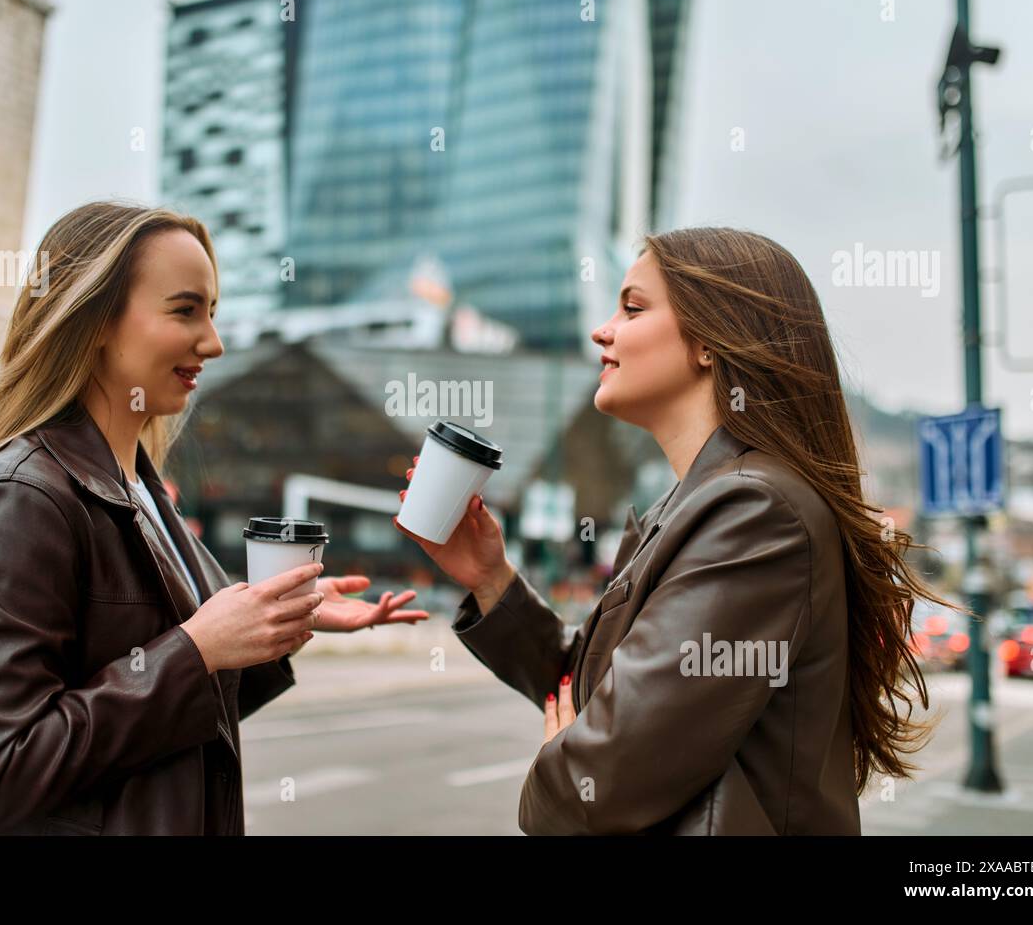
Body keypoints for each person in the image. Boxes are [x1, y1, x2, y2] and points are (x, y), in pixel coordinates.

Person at [395, 227, 956, 835]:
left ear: (710, 342)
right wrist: (490, 578)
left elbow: (603, 774)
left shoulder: (756, 512)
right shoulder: (697, 504)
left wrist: (556, 771)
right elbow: (598, 687)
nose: (602, 330)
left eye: (633, 308)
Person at [0, 201, 427, 835]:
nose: (212, 342)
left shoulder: (140, 489)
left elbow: (174, 687)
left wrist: (273, 614)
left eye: (212, 313)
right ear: (95, 318)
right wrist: (197, 650)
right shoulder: (20, 498)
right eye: (185, 310)